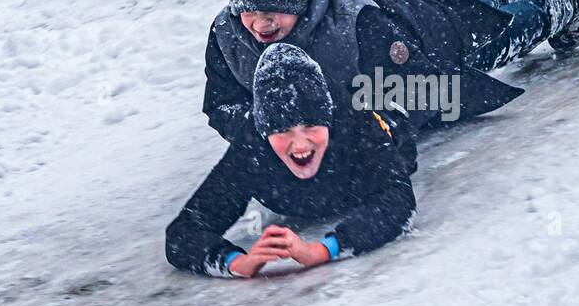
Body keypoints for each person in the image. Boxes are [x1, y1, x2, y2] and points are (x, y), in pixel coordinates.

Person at [203, 0, 579, 146]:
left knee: (497, 32)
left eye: (274, 12)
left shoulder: (355, 29)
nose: (260, 24)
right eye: (249, 12)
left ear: (303, 1)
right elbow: (222, 104)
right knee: (473, 5)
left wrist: (363, 129)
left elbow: (422, 93)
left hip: (427, 43)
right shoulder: (228, 37)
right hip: (405, 9)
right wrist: (262, 129)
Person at [166, 43, 417, 278]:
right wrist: (237, 263)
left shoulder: (357, 125)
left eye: (311, 125)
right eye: (283, 130)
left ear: (327, 119)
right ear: (265, 132)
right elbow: (182, 234)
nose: (300, 145)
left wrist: (322, 250)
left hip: (396, 113)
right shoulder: (252, 149)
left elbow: (397, 201)